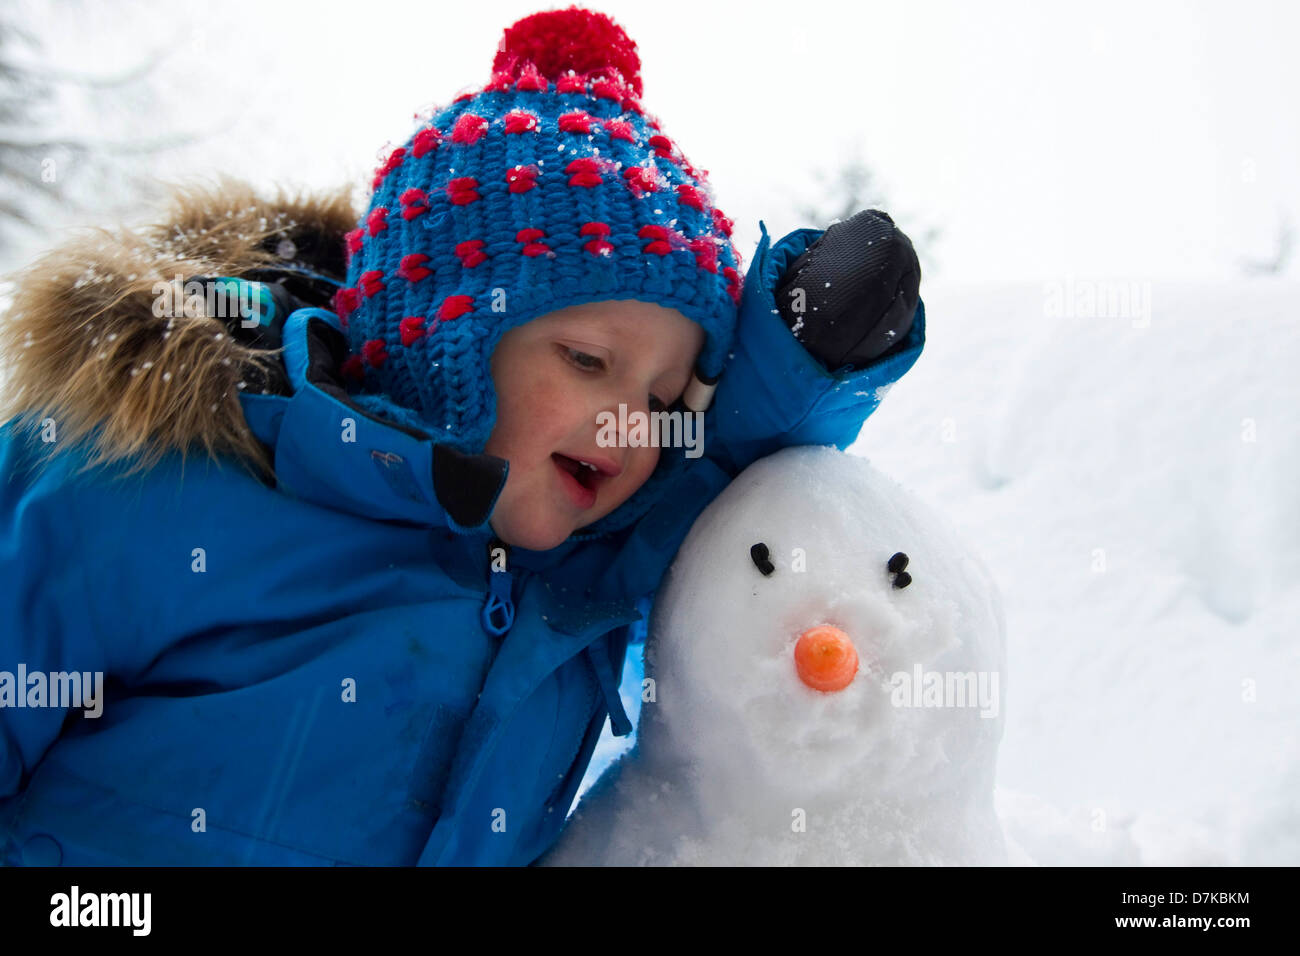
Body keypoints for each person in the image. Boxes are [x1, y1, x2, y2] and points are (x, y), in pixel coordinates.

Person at [0, 5, 924, 866]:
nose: (627, 423)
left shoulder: (571, 582)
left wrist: (807, 357)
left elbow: (723, 470)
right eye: (588, 360)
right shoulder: (149, 481)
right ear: (441, 341)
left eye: (666, 393)